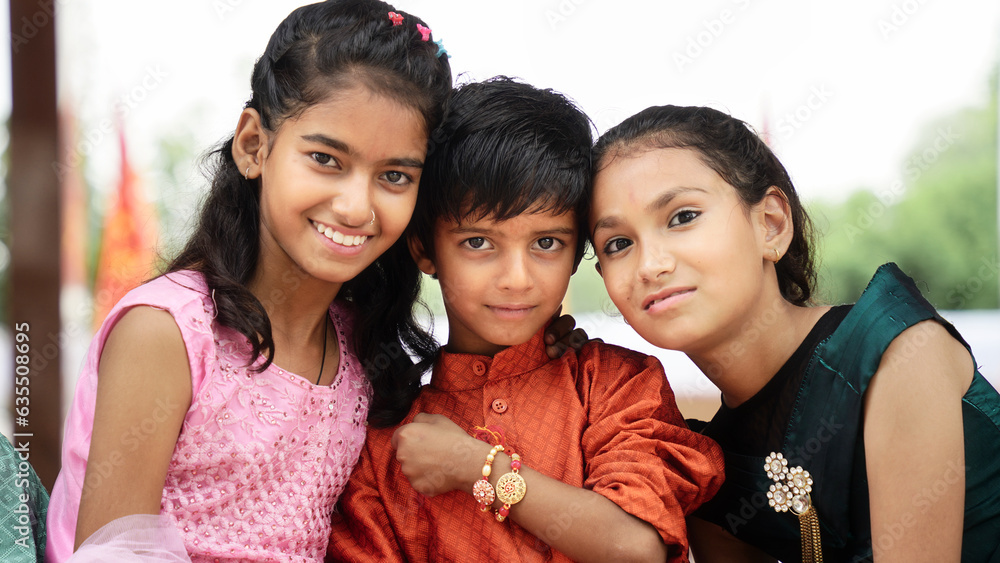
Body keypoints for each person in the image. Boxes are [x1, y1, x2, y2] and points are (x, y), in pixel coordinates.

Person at [43, 2, 453, 561]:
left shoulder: (361, 348)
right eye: (326, 159)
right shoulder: (168, 334)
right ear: (254, 146)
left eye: (395, 176)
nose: (356, 206)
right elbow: (113, 553)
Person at [326, 77, 725, 563]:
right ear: (425, 250)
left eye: (546, 243)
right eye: (478, 243)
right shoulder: (387, 450)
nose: (517, 279)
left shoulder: (615, 386)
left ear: (577, 250)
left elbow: (637, 549)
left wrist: (478, 467)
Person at [587, 104, 1000, 562]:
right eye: (618, 244)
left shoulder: (892, 352)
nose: (650, 265)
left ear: (770, 224)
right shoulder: (711, 473)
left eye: (682, 216)